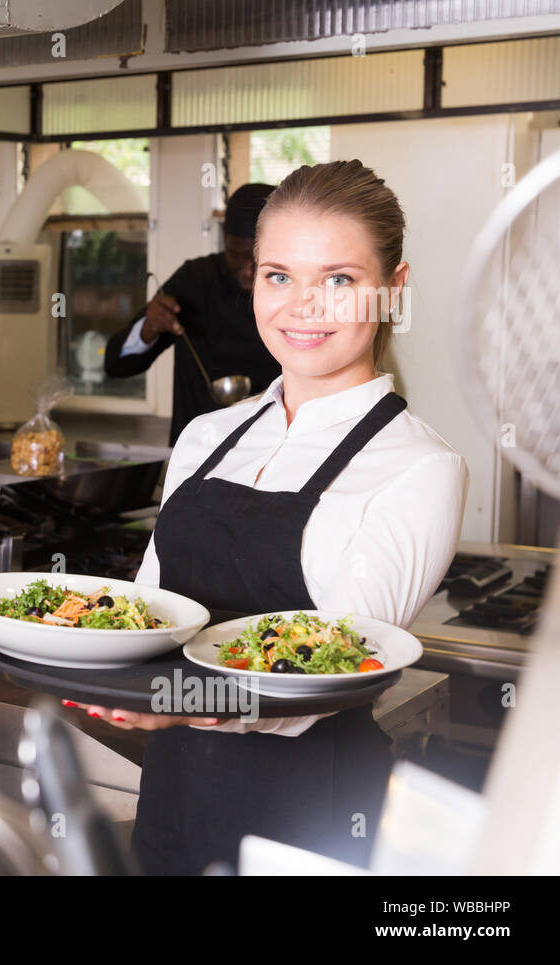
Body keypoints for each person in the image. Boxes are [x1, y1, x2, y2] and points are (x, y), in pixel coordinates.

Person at [69, 160, 469, 874]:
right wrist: (90, 657)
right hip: (172, 798)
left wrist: (179, 700)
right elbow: (152, 613)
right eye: (279, 275)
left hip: (310, 817)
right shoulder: (202, 437)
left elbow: (330, 674)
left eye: (338, 280)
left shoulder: (420, 467)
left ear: (394, 289)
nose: (301, 307)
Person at [105, 183, 282, 445]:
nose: (247, 272)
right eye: (236, 255)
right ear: (223, 235)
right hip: (196, 456)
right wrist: (148, 329)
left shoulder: (296, 291)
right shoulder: (196, 280)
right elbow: (116, 364)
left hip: (271, 451)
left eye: (258, 259)